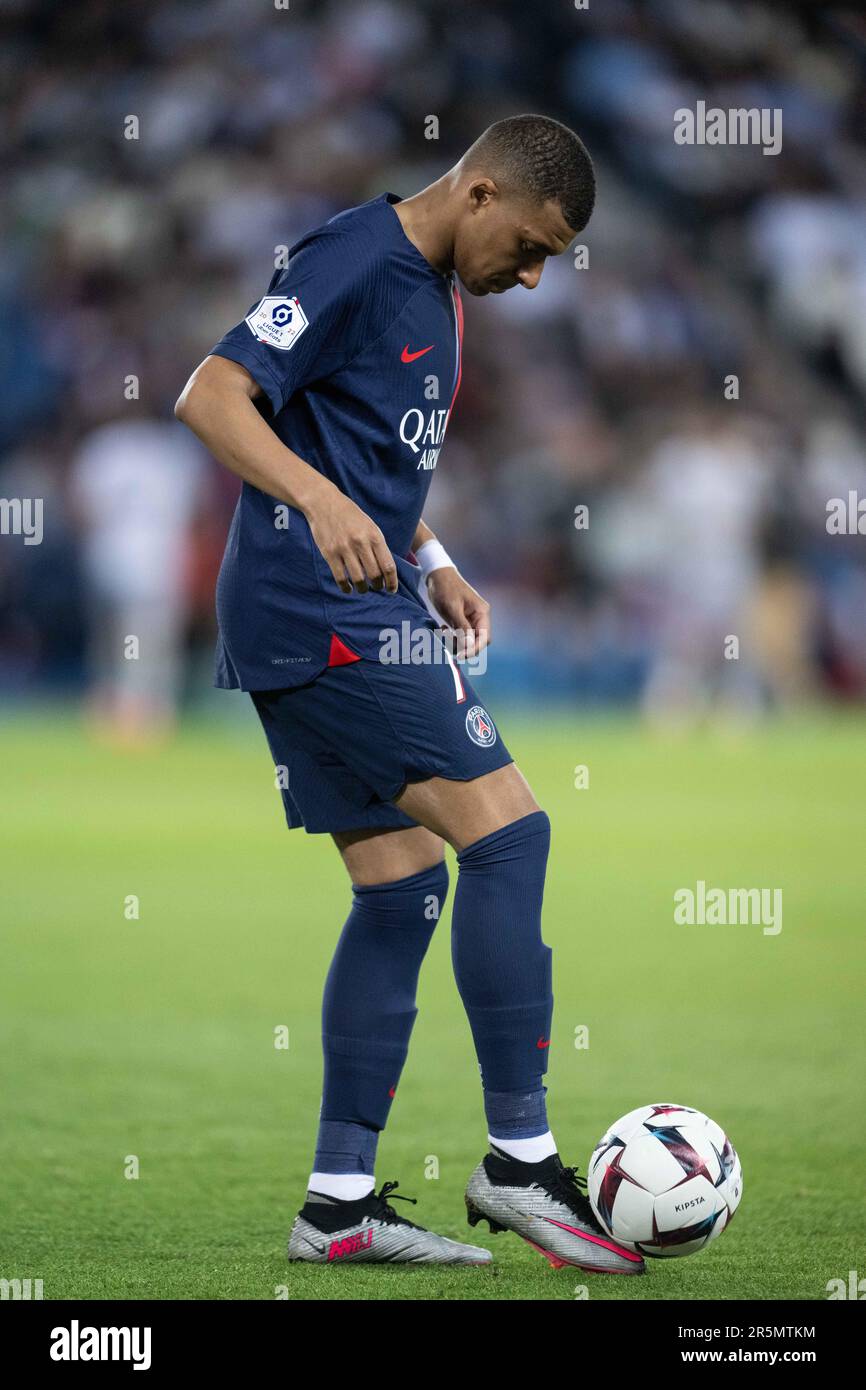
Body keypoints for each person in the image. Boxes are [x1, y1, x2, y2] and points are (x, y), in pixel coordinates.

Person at [176, 114, 642, 1274]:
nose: (529, 277)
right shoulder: (354, 258)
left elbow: (362, 452)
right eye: (528, 247)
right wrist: (322, 508)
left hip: (349, 601)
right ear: (476, 193)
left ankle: (337, 1207)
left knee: (399, 893)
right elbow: (212, 394)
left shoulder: (433, 284)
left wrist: (429, 559)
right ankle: (519, 1160)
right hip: (315, 606)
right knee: (511, 837)